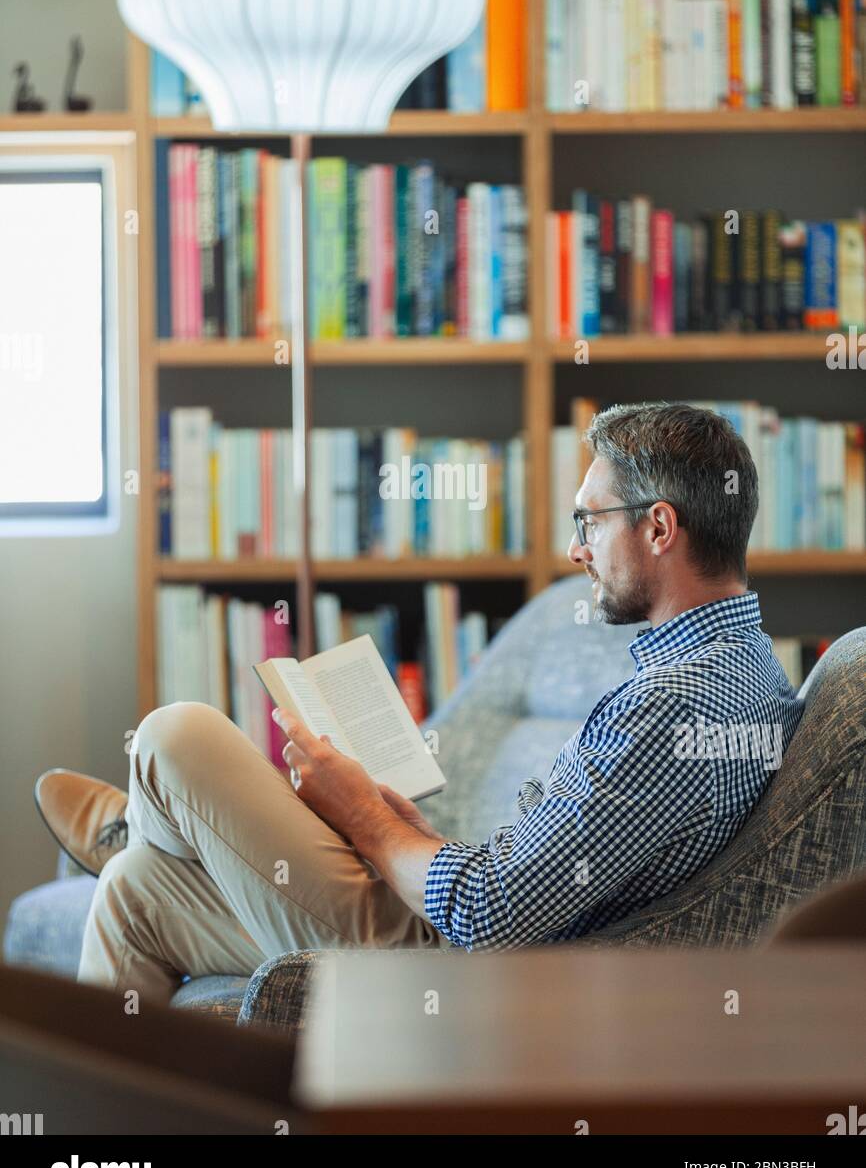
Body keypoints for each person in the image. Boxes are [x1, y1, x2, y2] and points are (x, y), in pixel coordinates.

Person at [35, 402, 803, 1005]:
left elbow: (490, 915)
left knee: (177, 735)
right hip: (471, 928)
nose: (577, 550)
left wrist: (363, 817)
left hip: (467, 970)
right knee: (135, 891)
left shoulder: (675, 705)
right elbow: (540, 868)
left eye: (589, 521)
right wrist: (408, 827)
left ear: (659, 527)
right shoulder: (741, 665)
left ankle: (147, 822)